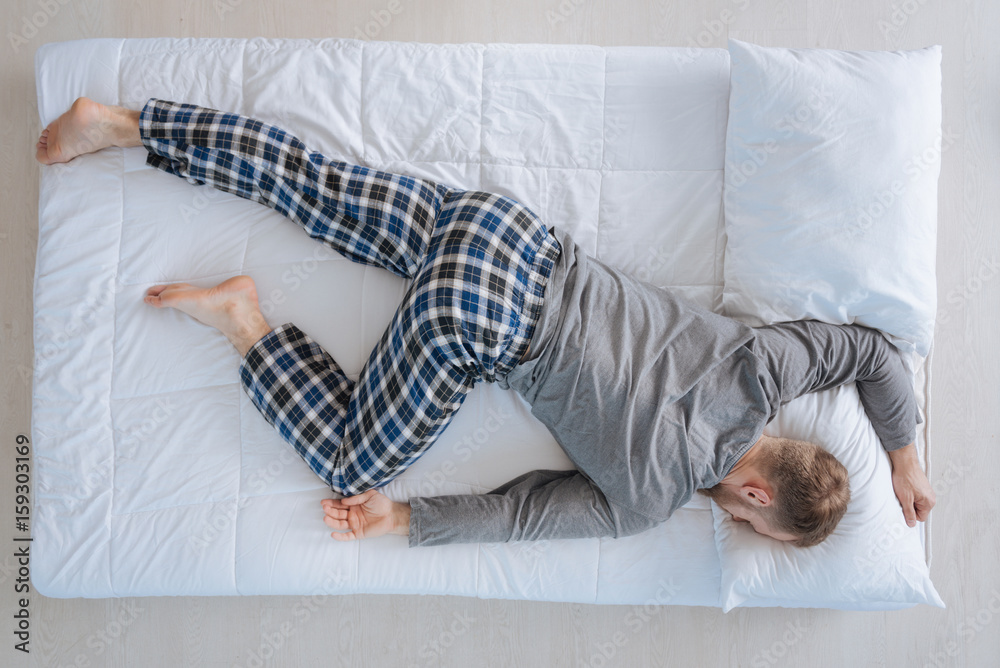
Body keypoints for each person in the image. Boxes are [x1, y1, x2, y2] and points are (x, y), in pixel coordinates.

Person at [36, 97, 936, 549]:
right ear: (755, 495)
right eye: (755, 528)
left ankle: (124, 125)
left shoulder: (763, 363)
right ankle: (244, 325)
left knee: (312, 184)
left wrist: (904, 453)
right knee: (352, 460)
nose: (740, 530)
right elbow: (522, 517)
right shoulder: (650, 500)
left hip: (507, 232)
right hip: (483, 318)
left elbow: (870, 352)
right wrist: (403, 521)